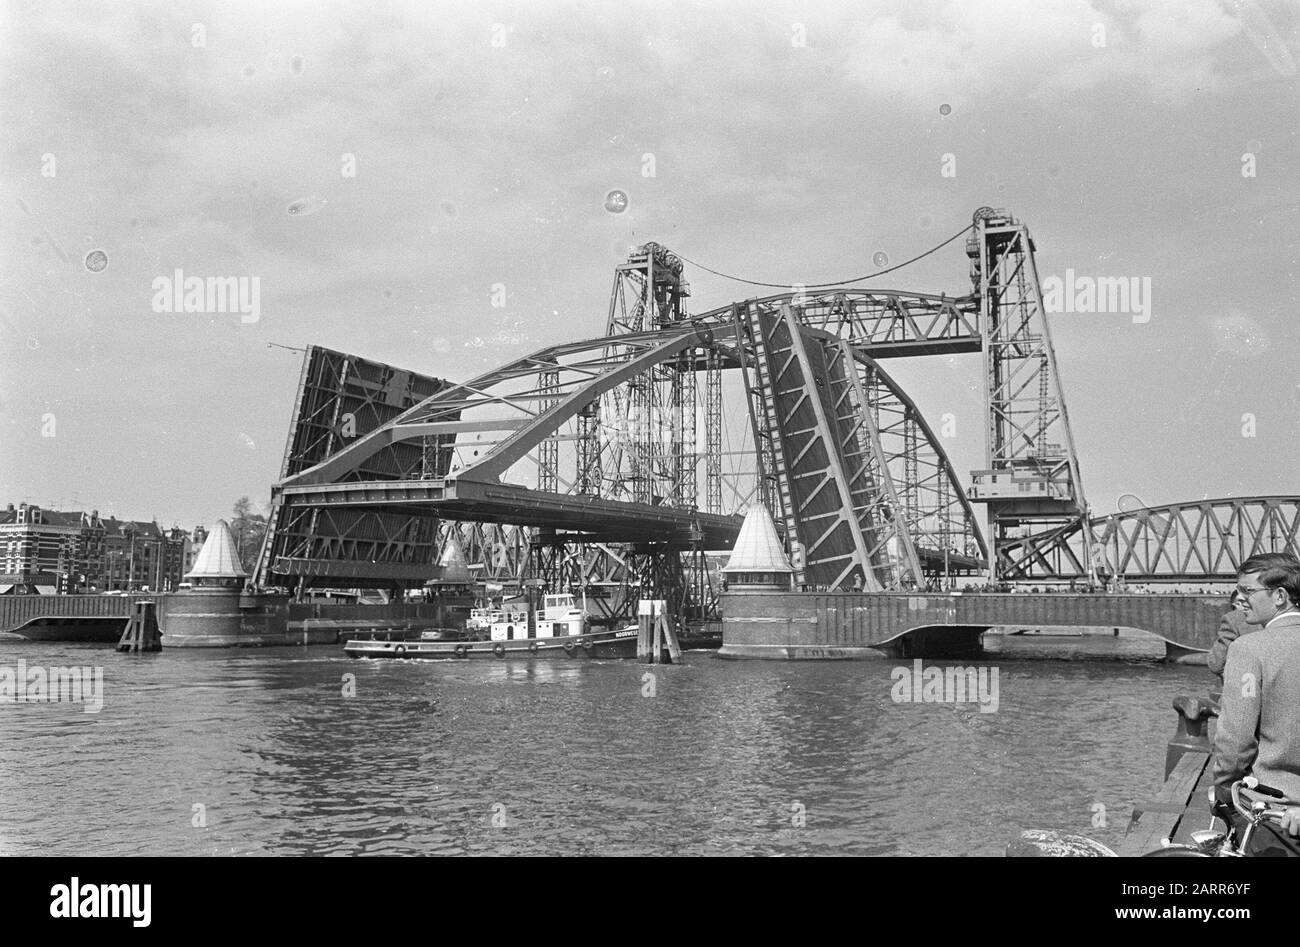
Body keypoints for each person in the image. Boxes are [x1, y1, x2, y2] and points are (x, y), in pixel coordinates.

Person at [1212, 552, 1300, 851]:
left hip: (1272, 812)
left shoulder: (1250, 649)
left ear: (1279, 596)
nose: (1239, 598)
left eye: (1248, 590)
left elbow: (1236, 739)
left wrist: (1224, 789)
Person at [1206, 591, 1253, 681]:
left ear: (1237, 604)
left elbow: (1216, 664)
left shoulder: (1233, 619)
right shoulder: (1270, 619)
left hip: (1241, 687)